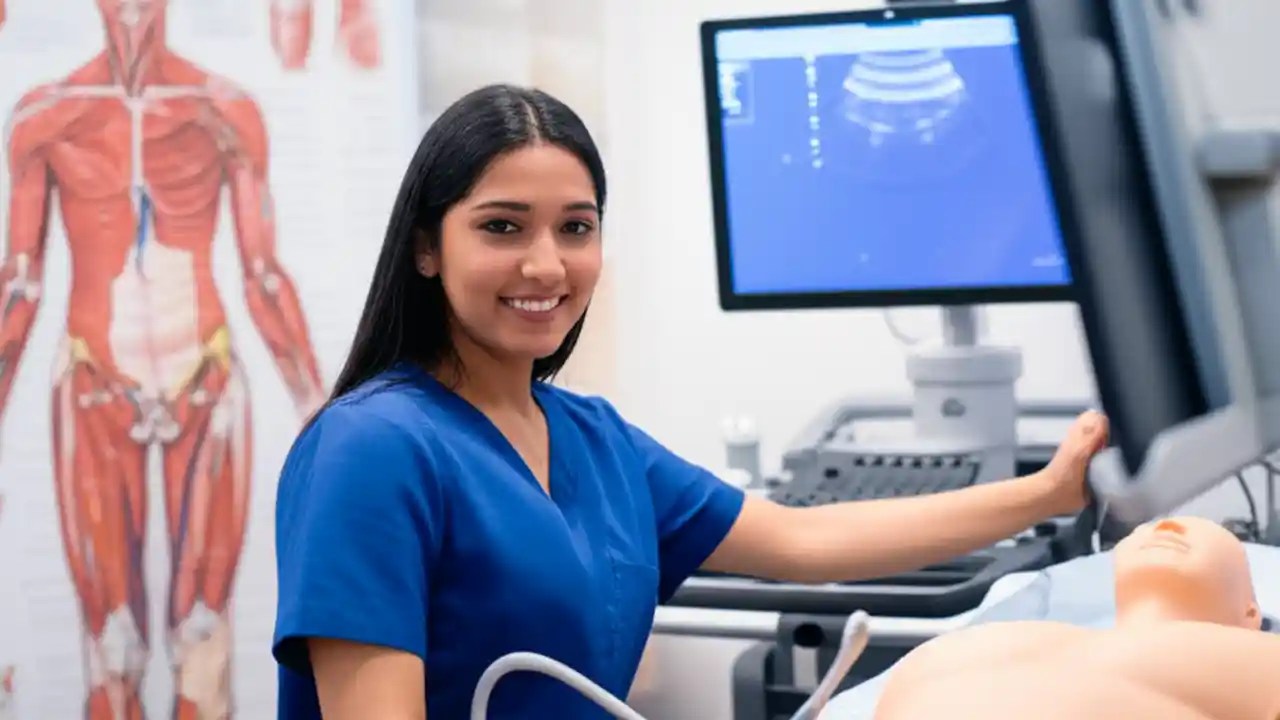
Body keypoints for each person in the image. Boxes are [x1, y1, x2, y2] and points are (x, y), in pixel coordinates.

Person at [269, 83, 1110, 720]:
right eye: (502, 227)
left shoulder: (592, 439)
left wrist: (1048, 492)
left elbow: (803, 538)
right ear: (426, 248)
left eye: (576, 227)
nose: (547, 266)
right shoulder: (372, 450)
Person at [0, 1, 325, 718]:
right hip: (93, 379)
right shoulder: (44, 115)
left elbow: (263, 272)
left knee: (203, 648)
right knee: (111, 650)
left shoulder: (222, 109)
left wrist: (322, 416)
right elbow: (19, 281)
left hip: (205, 379)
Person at [872, 515, 1280, 720]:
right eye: (1143, 528)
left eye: (1201, 530)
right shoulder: (976, 642)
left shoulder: (1259, 656)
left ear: (1250, 613)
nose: (1168, 525)